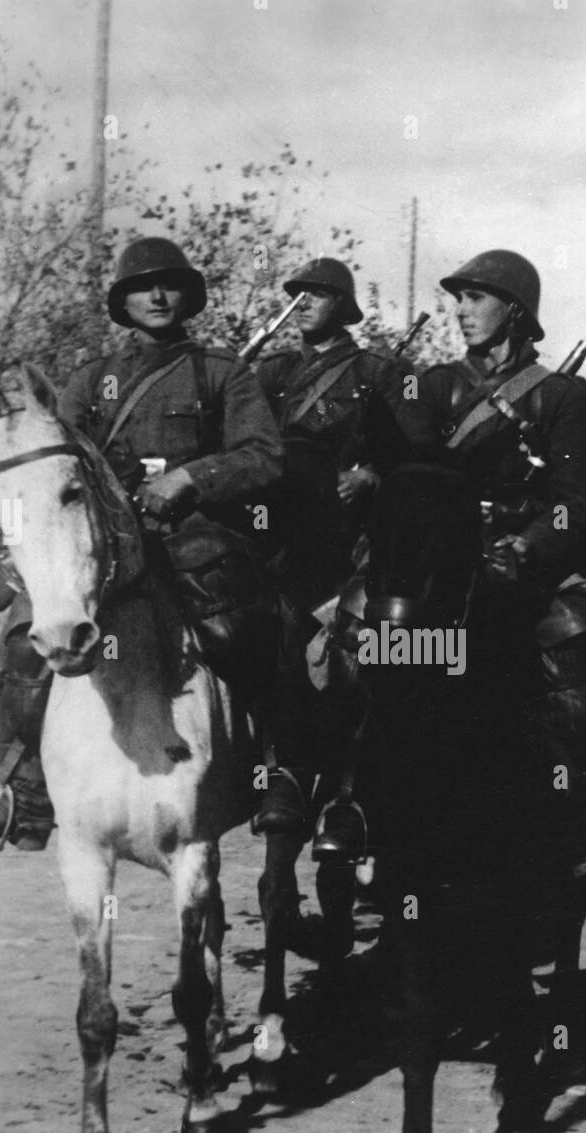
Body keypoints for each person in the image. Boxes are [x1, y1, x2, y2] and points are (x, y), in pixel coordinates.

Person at [0, 236, 283, 850]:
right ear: (124, 302)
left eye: (168, 285)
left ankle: (270, 771)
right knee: (23, 643)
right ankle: (26, 794)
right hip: (102, 539)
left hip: (191, 536)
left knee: (239, 627)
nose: (157, 296)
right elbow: (56, 460)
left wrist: (191, 477)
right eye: (142, 287)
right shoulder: (91, 380)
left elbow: (265, 456)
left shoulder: (221, 372)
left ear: (187, 296)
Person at [411, 250, 586, 875]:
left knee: (570, 640)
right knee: (356, 628)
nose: (461, 311)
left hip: (516, 556)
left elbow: (574, 505)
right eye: (457, 299)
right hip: (438, 551)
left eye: (476, 299)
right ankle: (340, 795)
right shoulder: (433, 386)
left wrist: (527, 547)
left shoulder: (562, 396)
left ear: (515, 312)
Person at [254, 257, 425, 861]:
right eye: (296, 292)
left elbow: (417, 456)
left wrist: (374, 475)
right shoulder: (267, 371)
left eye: (316, 294)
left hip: (347, 546)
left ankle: (349, 794)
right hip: (273, 539)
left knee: (358, 662)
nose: (301, 301)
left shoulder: (380, 371)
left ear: (344, 307)